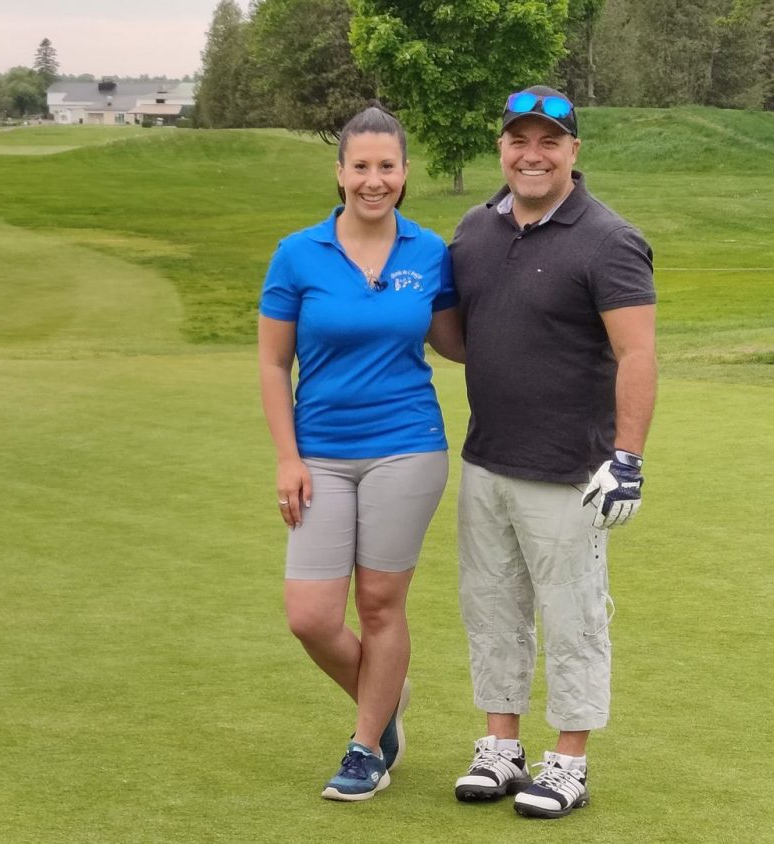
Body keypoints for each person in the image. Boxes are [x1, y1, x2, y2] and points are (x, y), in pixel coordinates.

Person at [448, 85, 656, 819]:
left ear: (573, 150)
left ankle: (568, 761)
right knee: (491, 609)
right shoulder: (473, 230)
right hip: (485, 459)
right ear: (501, 148)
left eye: (549, 142)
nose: (532, 156)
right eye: (518, 141)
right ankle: (500, 746)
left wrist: (626, 456)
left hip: (569, 468)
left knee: (573, 615)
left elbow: (637, 353)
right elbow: (457, 335)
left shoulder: (610, 237)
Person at [258, 105, 465, 802]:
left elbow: (454, 341)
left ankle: (365, 744)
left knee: (380, 603)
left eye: (387, 167)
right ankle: (386, 698)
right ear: (339, 173)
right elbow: (270, 364)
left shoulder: (429, 252)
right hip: (319, 452)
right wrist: (288, 458)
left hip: (407, 445)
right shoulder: (297, 254)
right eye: (360, 167)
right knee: (310, 616)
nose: (373, 180)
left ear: (404, 174)